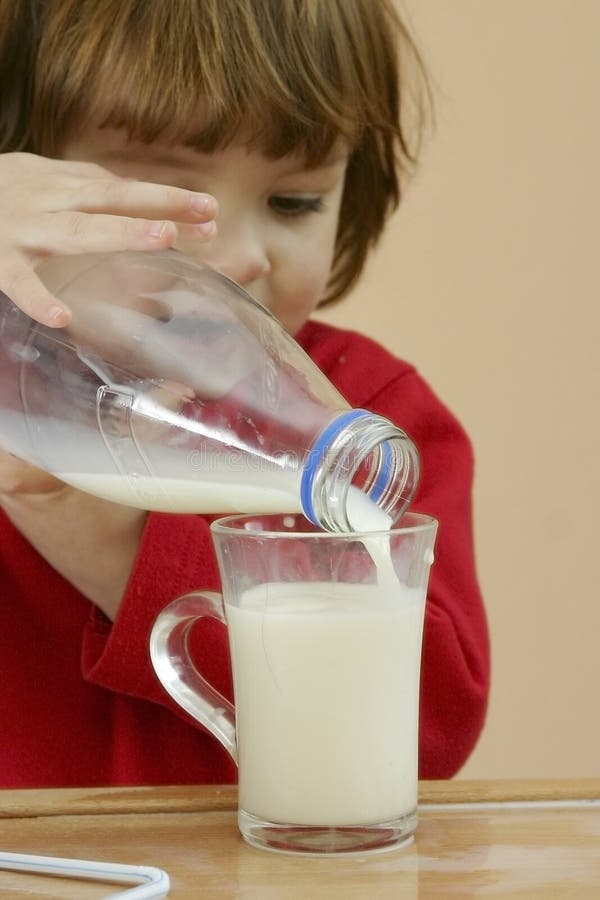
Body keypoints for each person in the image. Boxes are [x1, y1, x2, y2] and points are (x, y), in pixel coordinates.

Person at [0, 0, 489, 787]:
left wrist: (113, 545)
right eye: (157, 198)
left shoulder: (370, 407)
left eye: (293, 202)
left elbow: (429, 729)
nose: (235, 255)